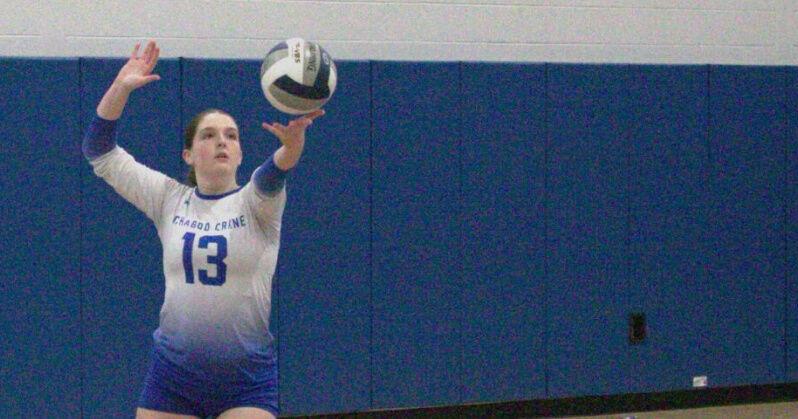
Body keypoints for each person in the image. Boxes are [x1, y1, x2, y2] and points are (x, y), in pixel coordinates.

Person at [82, 40, 323, 419]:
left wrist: (292, 147)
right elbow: (99, 151)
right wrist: (121, 87)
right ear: (189, 154)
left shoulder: (256, 204)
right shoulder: (169, 199)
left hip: (246, 376)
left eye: (231, 135)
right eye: (208, 136)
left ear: (241, 152)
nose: (221, 142)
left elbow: (274, 172)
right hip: (173, 375)